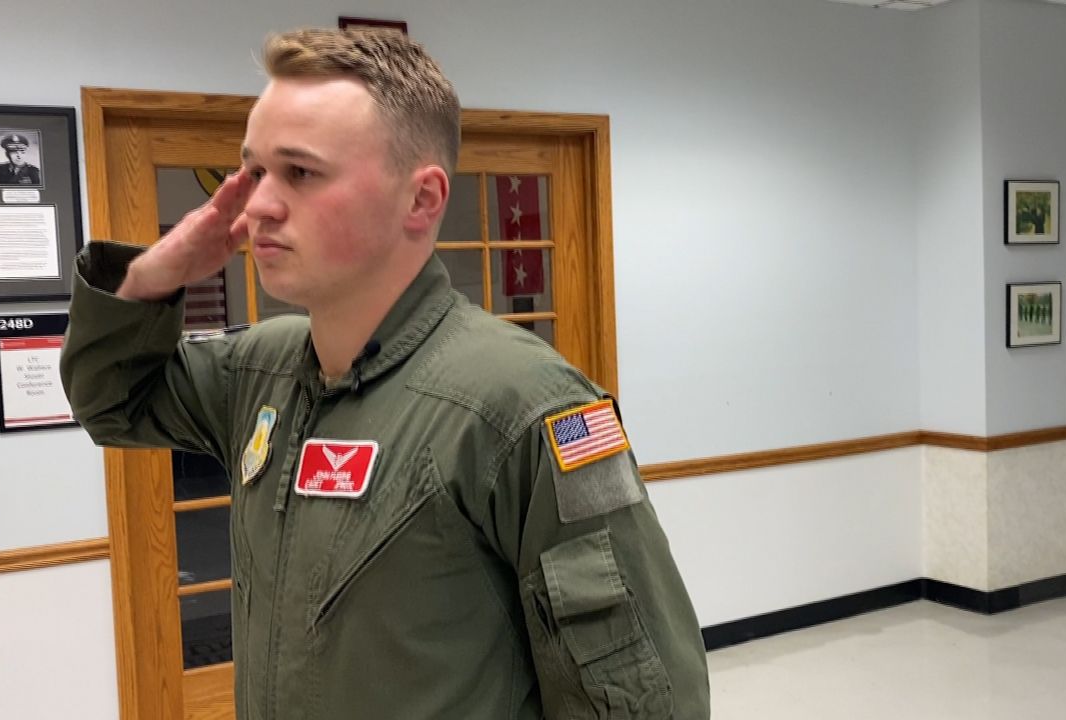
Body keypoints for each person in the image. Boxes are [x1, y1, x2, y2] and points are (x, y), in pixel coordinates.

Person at [61, 27, 710, 719]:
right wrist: (148, 279)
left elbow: (641, 699)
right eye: (253, 172)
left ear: (422, 199)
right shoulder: (259, 370)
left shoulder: (525, 407)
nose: (258, 205)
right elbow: (112, 401)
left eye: (300, 173)